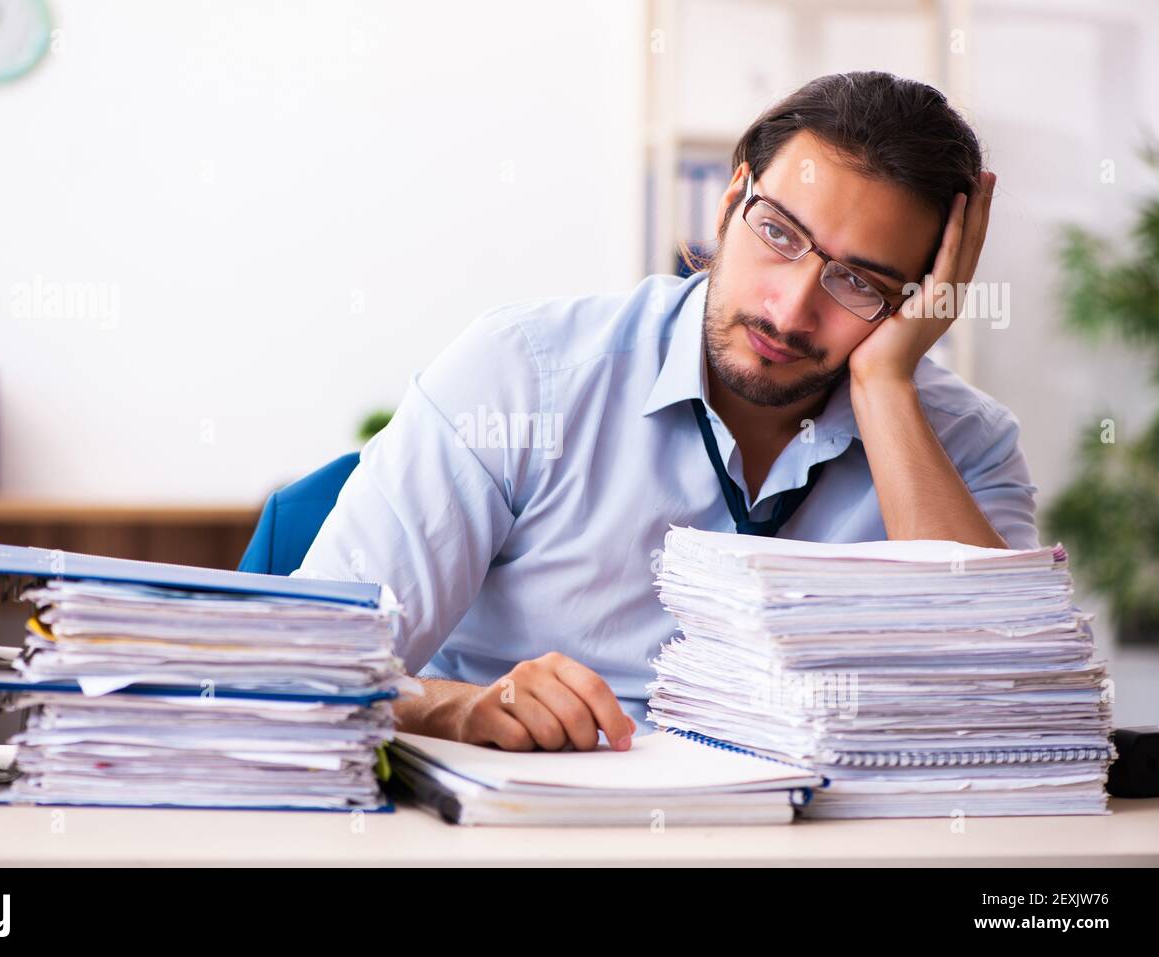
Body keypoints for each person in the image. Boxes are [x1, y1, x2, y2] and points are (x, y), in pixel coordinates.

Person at [295, 71, 1035, 755]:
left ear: (920, 299)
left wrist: (884, 387)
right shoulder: (524, 374)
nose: (791, 308)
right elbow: (305, 665)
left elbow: (1010, 716)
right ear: (729, 198)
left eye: (859, 283)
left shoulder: (966, 445)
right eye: (778, 233)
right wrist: (454, 708)